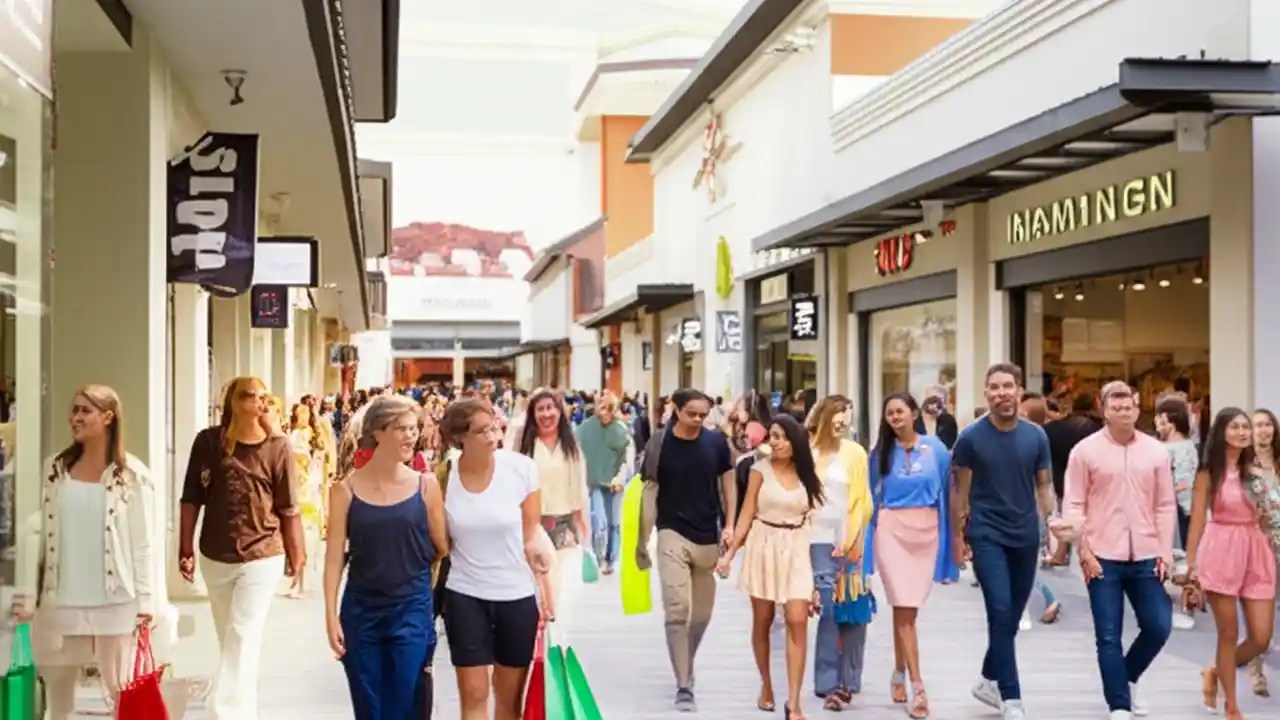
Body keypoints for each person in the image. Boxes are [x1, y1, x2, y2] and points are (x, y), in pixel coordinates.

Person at [178, 377, 305, 720]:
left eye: (263, 396)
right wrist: (184, 546)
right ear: (232, 401)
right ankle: (243, 710)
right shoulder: (208, 442)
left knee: (242, 632)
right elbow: (191, 498)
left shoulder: (278, 447)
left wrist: (298, 554)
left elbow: (289, 506)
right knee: (230, 639)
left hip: (263, 553)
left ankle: (222, 712)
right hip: (215, 553)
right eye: (249, 395)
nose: (258, 402)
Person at [33, 386, 156, 719]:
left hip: (114, 598)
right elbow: (42, 533)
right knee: (59, 687)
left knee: (117, 686)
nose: (76, 417)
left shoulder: (132, 475)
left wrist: (146, 601)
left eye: (85, 411)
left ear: (108, 417)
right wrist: (29, 593)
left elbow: (142, 543)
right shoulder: (55, 468)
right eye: (74, 410)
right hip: (63, 597)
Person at [324, 396, 448, 719]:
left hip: (411, 609)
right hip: (361, 612)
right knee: (369, 708)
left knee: (406, 701)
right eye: (402, 429)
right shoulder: (344, 491)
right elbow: (334, 555)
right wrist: (329, 614)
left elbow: (442, 546)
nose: (411, 436)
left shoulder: (426, 485)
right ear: (378, 433)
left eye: (414, 429)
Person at [1062, 381, 1174, 720]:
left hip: (1146, 553)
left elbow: (1165, 505)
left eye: (1130, 405)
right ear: (1104, 409)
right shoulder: (1084, 451)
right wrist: (1083, 550)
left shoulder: (1156, 451)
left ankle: (1127, 678)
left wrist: (1165, 551)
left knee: (1158, 625)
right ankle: (1119, 704)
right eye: (1116, 405)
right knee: (1108, 635)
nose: (1124, 410)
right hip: (1101, 556)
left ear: (1139, 409)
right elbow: (1075, 504)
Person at [951, 363, 1055, 720]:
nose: (1001, 393)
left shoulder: (1036, 436)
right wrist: (958, 538)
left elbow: (1043, 485)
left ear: (1019, 391)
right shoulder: (970, 438)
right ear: (986, 394)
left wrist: (1051, 524)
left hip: (1026, 535)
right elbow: (959, 491)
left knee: (1010, 617)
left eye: (1007, 386)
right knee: (999, 609)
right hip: (986, 533)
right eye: (994, 387)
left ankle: (987, 678)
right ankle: (1011, 697)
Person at [440, 398, 552, 720]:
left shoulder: (522, 469)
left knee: (508, 698)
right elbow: (439, 541)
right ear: (460, 438)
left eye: (493, 427)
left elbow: (531, 535)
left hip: (515, 594)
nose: (492, 437)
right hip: (465, 594)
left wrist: (545, 584)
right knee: (474, 694)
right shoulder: (444, 475)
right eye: (481, 431)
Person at [636, 388, 737, 712]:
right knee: (677, 610)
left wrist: (731, 525)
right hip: (671, 533)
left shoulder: (717, 443)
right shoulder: (659, 444)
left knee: (702, 616)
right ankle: (683, 684)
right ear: (675, 410)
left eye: (703, 415)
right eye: (691, 413)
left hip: (707, 535)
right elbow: (649, 492)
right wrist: (642, 540)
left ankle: (685, 660)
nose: (698, 420)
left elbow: (729, 484)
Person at [718, 415, 823, 719]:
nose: (774, 443)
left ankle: (794, 702)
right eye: (771, 437)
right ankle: (766, 684)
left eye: (780, 437)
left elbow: (815, 519)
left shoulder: (808, 474)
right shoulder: (758, 471)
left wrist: (819, 573)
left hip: (797, 547)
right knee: (762, 619)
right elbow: (747, 513)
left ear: (795, 440)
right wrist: (729, 554)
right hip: (763, 544)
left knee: (797, 619)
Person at [867, 392, 956, 719]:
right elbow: (870, 498)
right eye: (889, 412)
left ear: (914, 412)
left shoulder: (936, 449)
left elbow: (950, 492)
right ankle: (919, 688)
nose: (894, 417)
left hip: (927, 529)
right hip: (891, 529)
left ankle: (898, 671)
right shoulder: (880, 453)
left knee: (907, 609)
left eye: (899, 411)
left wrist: (956, 539)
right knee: (904, 607)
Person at [1186, 408, 1277, 720]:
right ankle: (1232, 707)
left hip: (1256, 550)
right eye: (1236, 426)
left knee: (1261, 638)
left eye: (1245, 427)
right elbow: (1197, 521)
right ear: (1222, 431)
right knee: (1228, 632)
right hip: (1222, 549)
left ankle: (1214, 671)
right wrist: (1191, 567)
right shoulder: (1208, 473)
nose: (1243, 432)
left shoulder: (1256, 473)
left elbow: (1265, 517)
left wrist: (1267, 520)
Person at [806, 396, 873, 710]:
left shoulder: (855, 453)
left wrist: (852, 539)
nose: (843, 422)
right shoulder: (807, 453)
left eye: (847, 416)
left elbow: (863, 499)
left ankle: (849, 680)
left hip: (850, 538)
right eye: (838, 415)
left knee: (855, 609)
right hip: (816, 537)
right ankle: (828, 682)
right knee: (830, 606)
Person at [516, 388, 589, 600]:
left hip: (564, 524)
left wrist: (583, 524)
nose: (546, 414)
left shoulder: (570, 444)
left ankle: (554, 631)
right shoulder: (525, 444)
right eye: (540, 409)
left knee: (558, 588)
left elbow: (578, 483)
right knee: (537, 586)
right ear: (532, 414)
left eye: (551, 408)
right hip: (533, 526)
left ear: (559, 411)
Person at [1154, 397, 1199, 630]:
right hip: (1178, 508)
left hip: (1177, 508)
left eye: (1161, 418)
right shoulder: (1187, 445)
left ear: (1170, 421)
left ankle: (1183, 606)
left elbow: (1184, 482)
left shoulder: (1176, 448)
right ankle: (1182, 604)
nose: (1157, 424)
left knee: (1177, 557)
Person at [577, 392, 632, 574]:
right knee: (597, 520)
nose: (605, 413)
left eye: (608, 409)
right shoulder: (586, 428)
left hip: (615, 483)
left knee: (614, 523)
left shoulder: (620, 429)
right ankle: (599, 557)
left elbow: (627, 457)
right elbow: (577, 452)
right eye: (601, 408)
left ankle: (610, 559)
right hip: (594, 482)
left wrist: (621, 477)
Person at [1246, 408, 1280, 694]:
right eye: (1258, 425)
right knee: (1261, 611)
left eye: (1268, 424)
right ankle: (1256, 670)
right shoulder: (1244, 466)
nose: (1264, 430)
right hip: (1260, 545)